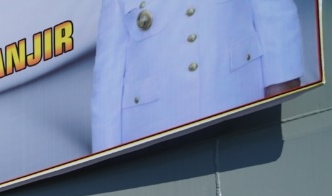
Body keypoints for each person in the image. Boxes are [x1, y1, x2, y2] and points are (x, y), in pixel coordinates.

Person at [91, 0, 305, 150]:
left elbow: (275, 14)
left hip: (237, 107)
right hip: (155, 135)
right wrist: (106, 158)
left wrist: (282, 88)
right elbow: (107, 78)